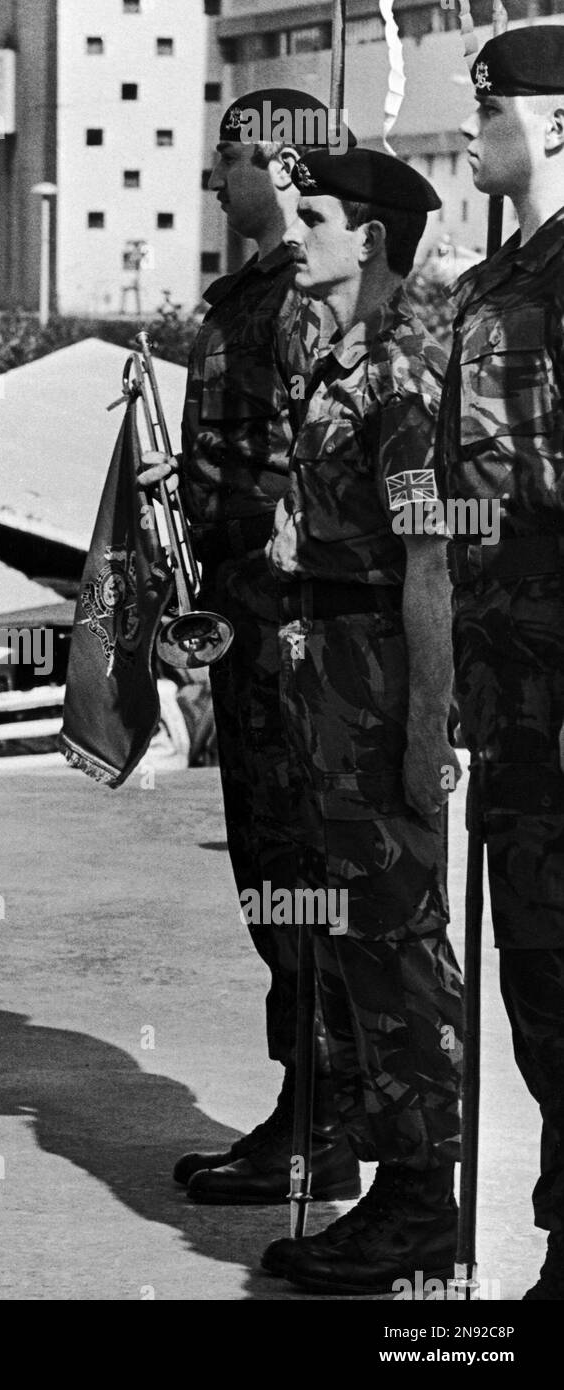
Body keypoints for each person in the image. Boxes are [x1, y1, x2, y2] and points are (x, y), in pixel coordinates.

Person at [139, 89, 360, 1206]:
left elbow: (319, 469)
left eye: (225, 157)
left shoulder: (307, 300)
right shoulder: (246, 295)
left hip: (294, 640)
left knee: (301, 876)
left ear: (275, 161)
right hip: (247, 630)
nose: (212, 180)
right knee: (271, 875)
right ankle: (311, 1105)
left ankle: (324, 1115)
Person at [257, 148, 463, 1295]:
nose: (298, 234)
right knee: (349, 944)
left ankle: (425, 1199)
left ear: (372, 238)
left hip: (380, 690)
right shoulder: (331, 365)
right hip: (328, 685)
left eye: (317, 217)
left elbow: (429, 564)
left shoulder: (400, 381)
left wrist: (426, 732)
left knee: (395, 945)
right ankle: (393, 1181)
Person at [438, 26, 564, 1301]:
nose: (475, 125)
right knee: (538, 976)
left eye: (494, 105)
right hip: (514, 695)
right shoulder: (497, 275)